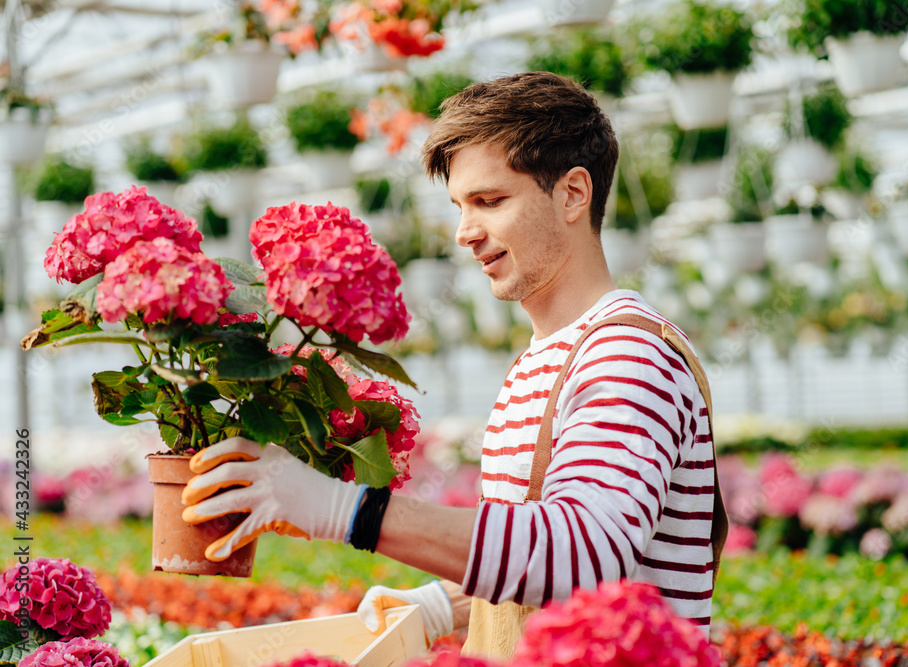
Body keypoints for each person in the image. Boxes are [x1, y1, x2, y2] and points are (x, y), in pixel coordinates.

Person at [181, 71, 727, 660]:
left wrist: (343, 510)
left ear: (572, 193)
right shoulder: (549, 354)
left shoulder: (625, 352)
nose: (466, 232)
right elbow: (543, 563)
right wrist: (445, 604)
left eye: (491, 201)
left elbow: (584, 551)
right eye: (460, 206)